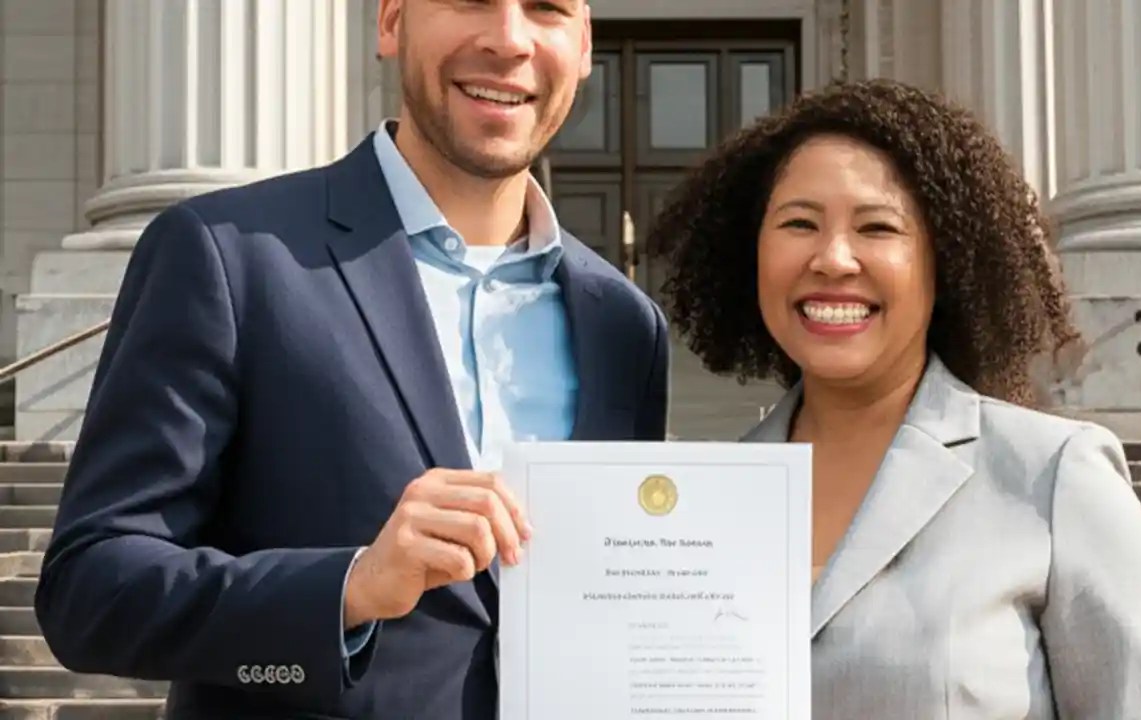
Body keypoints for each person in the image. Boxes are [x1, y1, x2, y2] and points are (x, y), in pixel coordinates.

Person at [34, 1, 669, 718]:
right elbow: (90, 592)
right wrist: (352, 587)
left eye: (546, 9)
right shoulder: (227, 256)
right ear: (392, 20)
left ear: (583, 45)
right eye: (470, 1)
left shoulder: (625, 325)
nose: (509, 40)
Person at [649, 79, 1141, 719]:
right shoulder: (703, 504)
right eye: (799, 223)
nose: (833, 258)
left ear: (944, 263)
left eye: (878, 227)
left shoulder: (1054, 478)